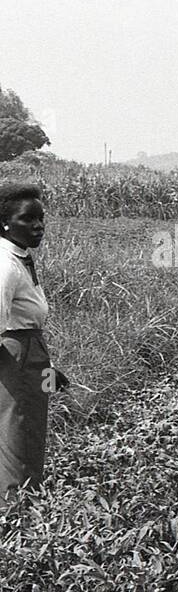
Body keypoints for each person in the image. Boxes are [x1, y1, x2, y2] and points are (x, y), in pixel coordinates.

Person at [0, 184, 65, 499]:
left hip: (33, 354)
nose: (39, 225)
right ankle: (17, 514)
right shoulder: (5, 265)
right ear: (6, 223)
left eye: (41, 218)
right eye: (28, 219)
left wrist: (50, 371)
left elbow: (31, 323)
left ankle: (30, 500)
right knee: (18, 433)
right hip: (16, 357)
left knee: (34, 429)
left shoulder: (21, 255)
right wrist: (14, 375)